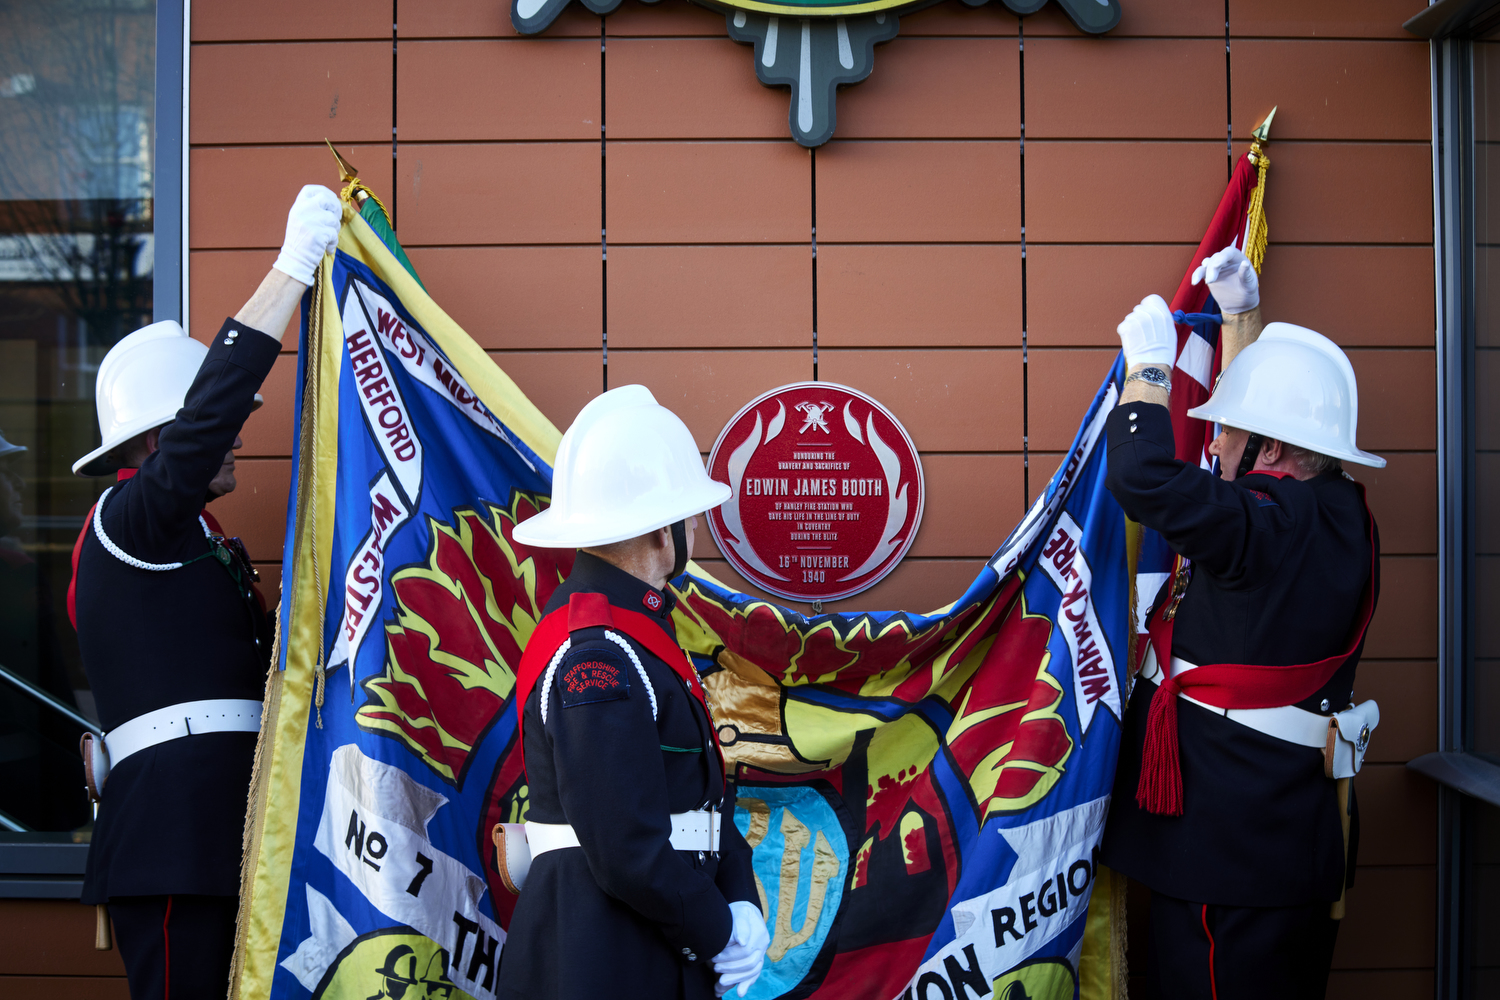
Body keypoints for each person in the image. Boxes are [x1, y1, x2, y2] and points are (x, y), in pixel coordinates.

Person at [70, 184, 342, 999]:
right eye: (219, 425)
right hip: (175, 842)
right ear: (162, 440)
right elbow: (203, 423)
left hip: (228, 834)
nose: (239, 433)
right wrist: (290, 272)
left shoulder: (191, 535)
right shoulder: (130, 517)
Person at [1098, 246, 1384, 1000]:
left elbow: (1140, 478)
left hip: (1229, 853)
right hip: (1282, 837)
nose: (1213, 444)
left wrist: (1150, 374)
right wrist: (1238, 320)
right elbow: (1255, 487)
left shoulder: (1265, 525)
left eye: (1228, 432)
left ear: (1273, 451)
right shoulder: (1337, 510)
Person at [499, 385, 770, 1000]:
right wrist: (717, 927)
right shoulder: (596, 654)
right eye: (689, 513)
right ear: (660, 529)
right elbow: (623, 843)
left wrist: (741, 896)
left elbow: (693, 803)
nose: (697, 526)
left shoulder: (632, 635)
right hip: (605, 957)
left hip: (642, 946)